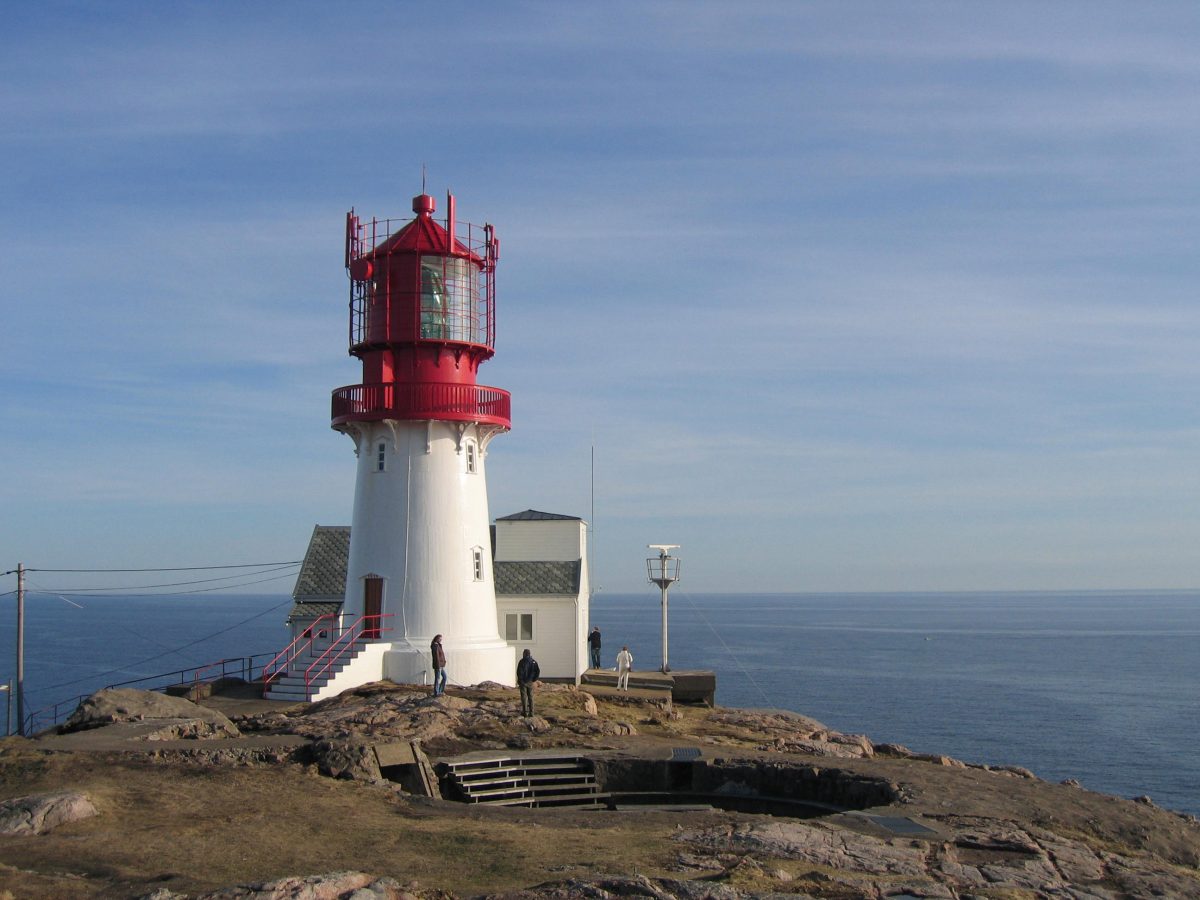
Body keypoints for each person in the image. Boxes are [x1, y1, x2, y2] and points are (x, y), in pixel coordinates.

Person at [516, 648, 540, 717]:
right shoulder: (534, 662)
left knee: (524, 697)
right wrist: (534, 679)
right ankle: (531, 713)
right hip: (530, 682)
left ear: (524, 654)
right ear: (529, 654)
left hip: (523, 682)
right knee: (531, 697)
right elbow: (537, 671)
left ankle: (525, 713)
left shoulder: (522, 661)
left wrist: (520, 680)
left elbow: (519, 672)